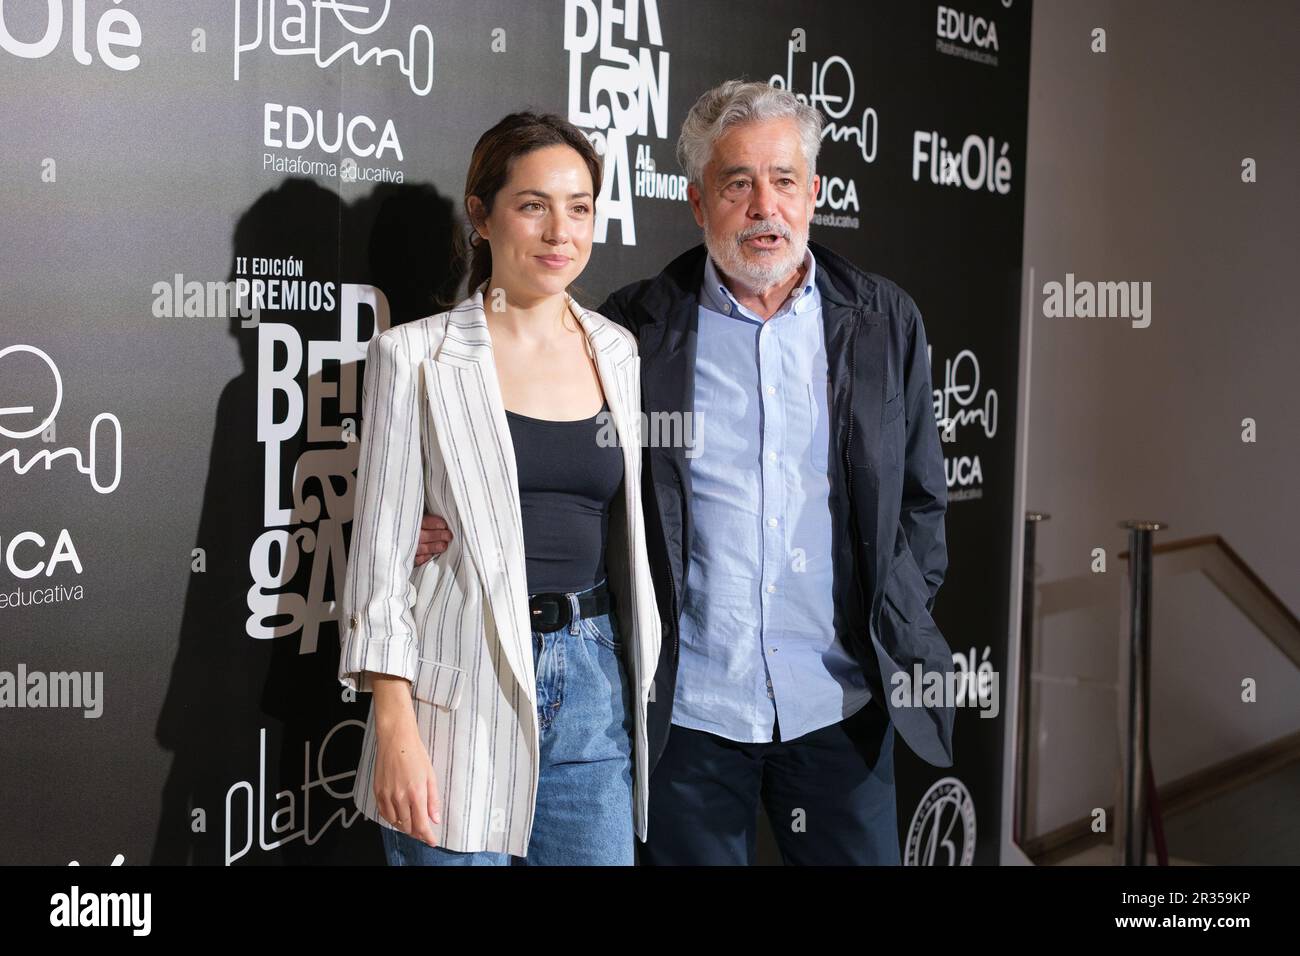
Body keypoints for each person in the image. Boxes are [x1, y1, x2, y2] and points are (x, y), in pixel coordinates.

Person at [417, 80, 954, 865]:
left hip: (841, 706)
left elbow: (920, 498)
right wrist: (446, 523)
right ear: (699, 203)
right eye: (738, 183)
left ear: (815, 193)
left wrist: (900, 609)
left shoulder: (883, 321)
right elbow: (564, 465)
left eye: (784, 181)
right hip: (690, 715)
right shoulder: (636, 326)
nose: (764, 206)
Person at [338, 111, 661, 866]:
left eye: (580, 207)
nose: (560, 232)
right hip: (457, 687)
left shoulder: (619, 352)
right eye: (533, 205)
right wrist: (393, 722)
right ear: (481, 216)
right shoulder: (413, 356)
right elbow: (382, 559)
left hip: (593, 687)